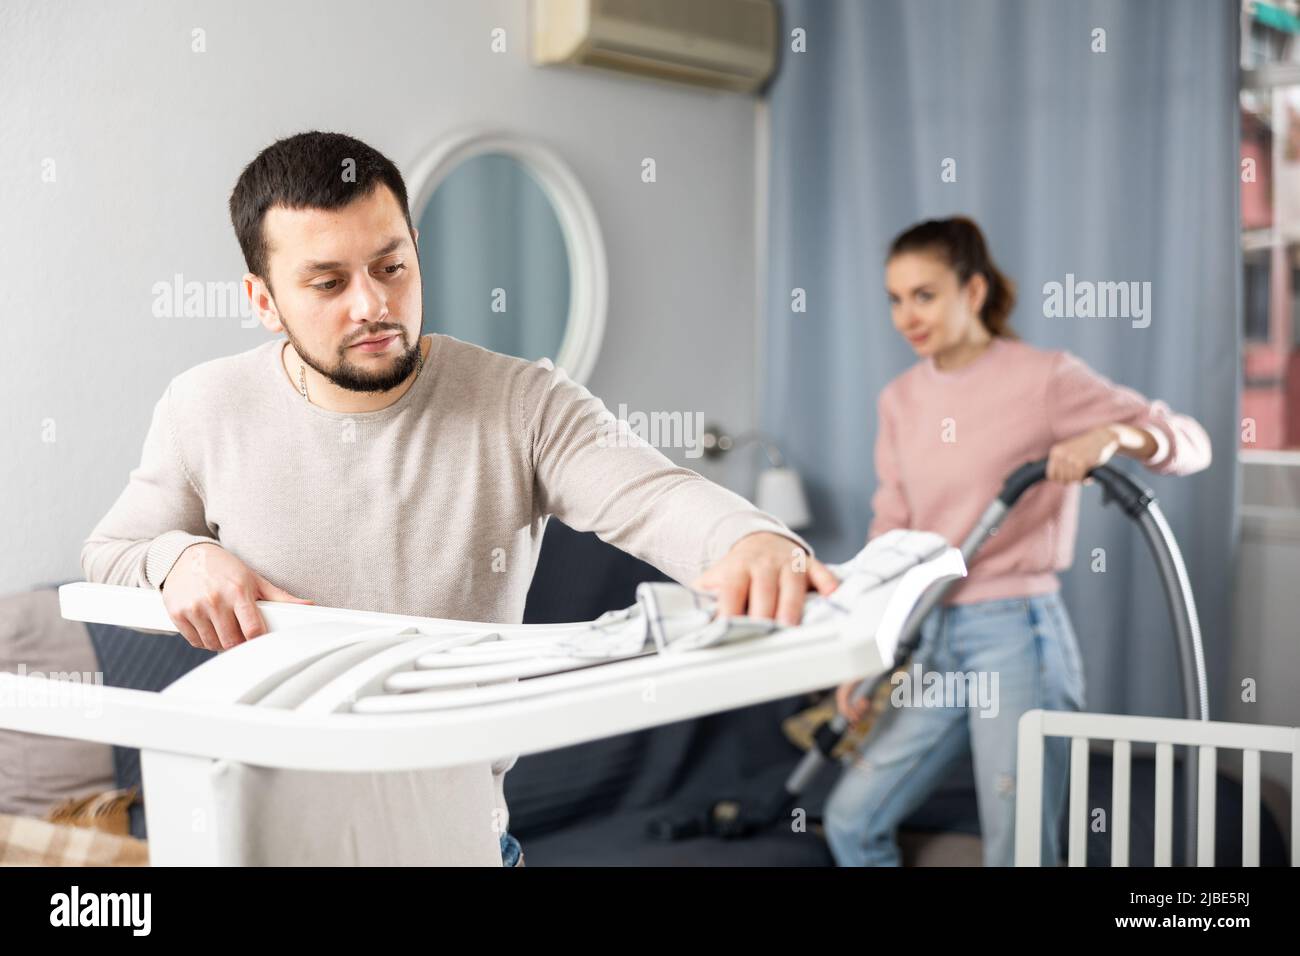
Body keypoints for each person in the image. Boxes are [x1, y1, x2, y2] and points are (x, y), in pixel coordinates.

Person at [81, 131, 840, 867]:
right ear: (263, 299)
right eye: (328, 283)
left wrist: (751, 540)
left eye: (391, 266)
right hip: (259, 848)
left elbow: (659, 496)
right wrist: (181, 557)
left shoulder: (523, 402)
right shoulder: (204, 406)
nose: (371, 305)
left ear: (417, 250)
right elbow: (110, 554)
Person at [823, 215, 1212, 867]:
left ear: (972, 292)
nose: (906, 316)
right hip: (929, 633)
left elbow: (1191, 443)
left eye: (925, 295)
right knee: (849, 821)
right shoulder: (900, 399)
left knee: (1020, 850)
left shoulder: (1045, 379)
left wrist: (1115, 437)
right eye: (895, 299)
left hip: (1015, 637)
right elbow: (890, 528)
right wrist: (865, 650)